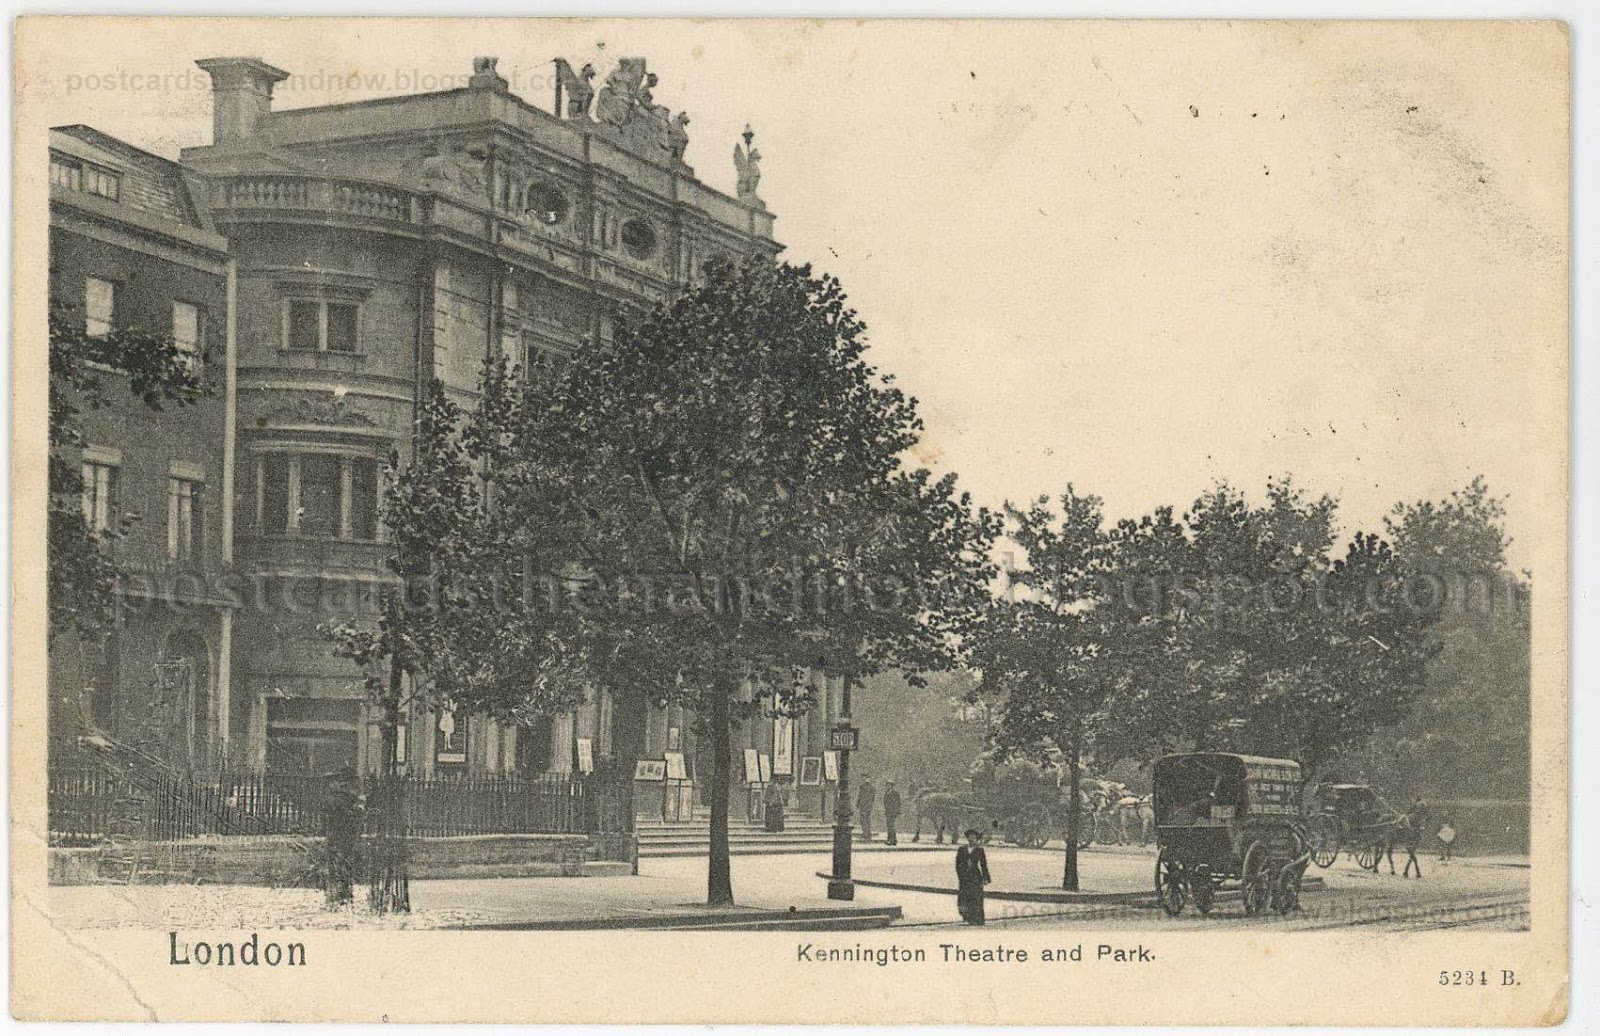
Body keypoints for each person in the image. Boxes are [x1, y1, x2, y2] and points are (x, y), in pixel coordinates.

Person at [321, 771, 364, 907]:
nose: (337, 784)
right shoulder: (337, 798)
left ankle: (340, 893)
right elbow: (348, 814)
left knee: (339, 864)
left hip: (339, 835)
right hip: (340, 835)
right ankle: (340, 893)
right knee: (340, 864)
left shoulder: (341, 797)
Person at [955, 828, 992, 924]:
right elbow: (958, 864)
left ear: (976, 839)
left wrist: (985, 877)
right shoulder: (962, 849)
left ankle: (977, 918)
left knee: (976, 897)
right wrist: (960, 874)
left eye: (974, 837)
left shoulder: (980, 850)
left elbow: (983, 865)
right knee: (964, 896)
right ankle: (966, 916)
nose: (972, 839)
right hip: (964, 877)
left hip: (975, 876)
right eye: (970, 837)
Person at [1402, 797, 1429, 879]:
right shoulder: (1413, 816)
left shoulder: (1418, 817)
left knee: (1412, 854)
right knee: (1412, 855)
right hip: (1412, 835)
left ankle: (1407, 871)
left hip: (1414, 834)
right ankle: (1413, 871)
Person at [882, 780, 902, 846]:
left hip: (892, 812)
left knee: (891, 826)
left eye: (889, 785)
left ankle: (891, 840)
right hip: (888, 812)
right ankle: (893, 840)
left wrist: (896, 811)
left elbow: (898, 803)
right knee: (889, 826)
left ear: (892, 786)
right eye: (887, 785)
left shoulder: (895, 793)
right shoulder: (887, 793)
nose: (887, 786)